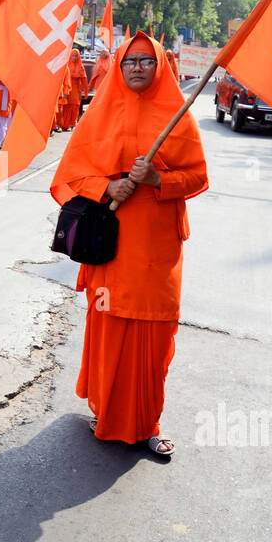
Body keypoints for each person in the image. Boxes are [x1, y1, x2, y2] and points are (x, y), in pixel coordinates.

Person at [51, 32, 209, 459]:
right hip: (110, 243)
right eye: (130, 61)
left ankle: (148, 423)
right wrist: (109, 187)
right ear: (117, 67)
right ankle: (106, 411)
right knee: (111, 328)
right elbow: (68, 179)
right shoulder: (97, 115)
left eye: (146, 61)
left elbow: (198, 176)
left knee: (154, 335)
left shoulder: (179, 116)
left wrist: (161, 180)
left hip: (158, 249)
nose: (137, 67)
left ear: (160, 67)